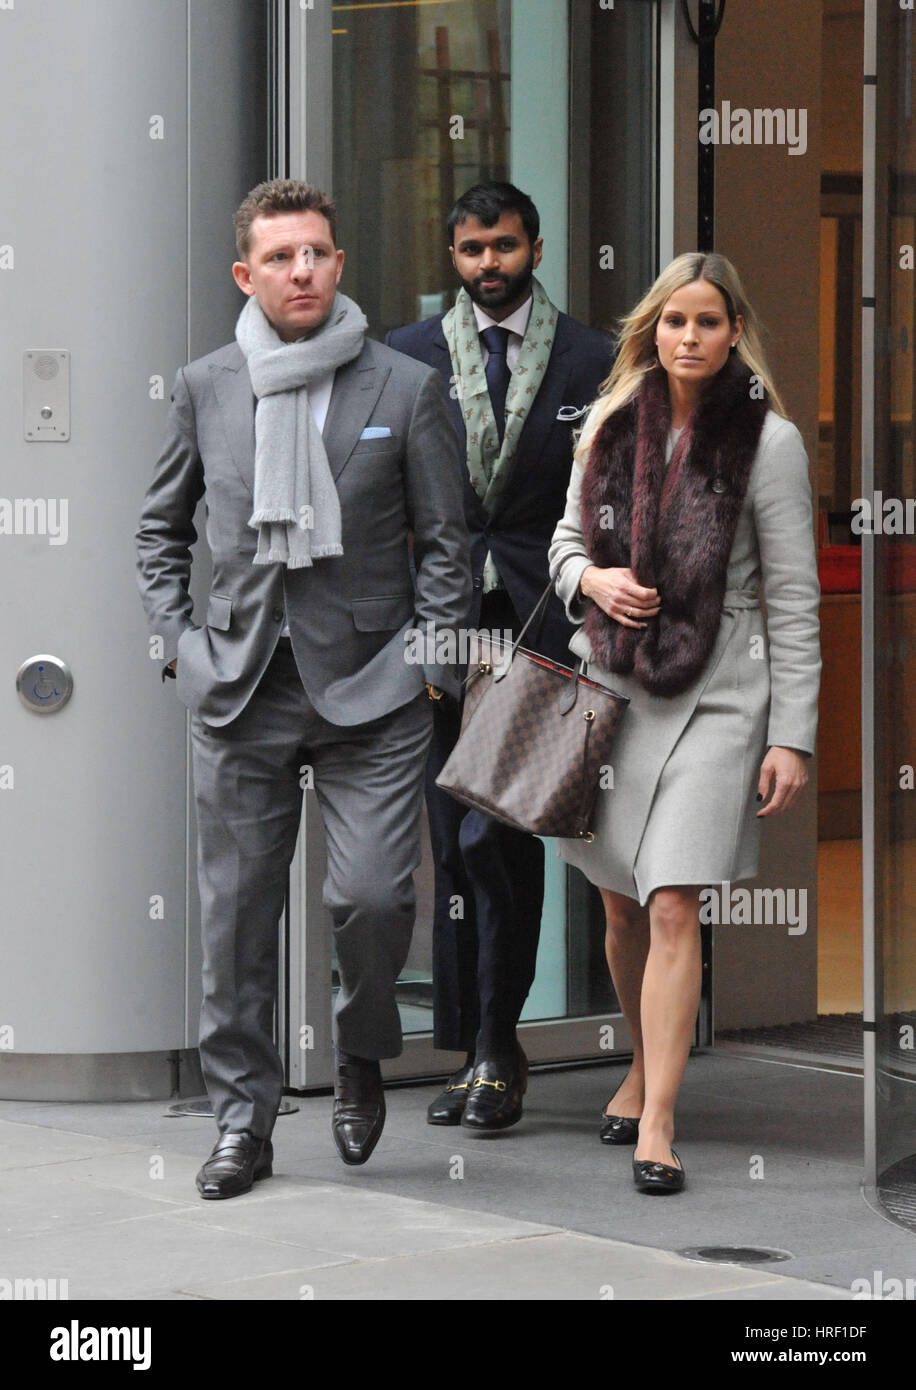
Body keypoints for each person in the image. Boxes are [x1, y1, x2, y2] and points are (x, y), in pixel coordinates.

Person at [136, 178, 471, 1199]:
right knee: (234, 919)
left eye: (317, 252)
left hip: (374, 686)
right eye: (280, 257)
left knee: (371, 896)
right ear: (247, 273)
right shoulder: (206, 385)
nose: (301, 271)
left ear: (338, 263)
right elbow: (159, 530)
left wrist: (429, 663)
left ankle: (362, 1052)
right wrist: (177, 646)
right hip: (239, 687)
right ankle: (243, 1121)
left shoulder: (403, 388)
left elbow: (448, 546)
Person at [548, 252, 821, 1193]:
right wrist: (592, 578)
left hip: (720, 695)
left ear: (734, 331)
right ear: (652, 329)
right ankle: (640, 1061)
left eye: (708, 322)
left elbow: (794, 596)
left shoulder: (770, 444)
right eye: (674, 322)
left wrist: (794, 734)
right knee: (621, 899)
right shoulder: (610, 425)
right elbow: (565, 543)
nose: (690, 337)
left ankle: (660, 1119)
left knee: (673, 898)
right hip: (616, 690)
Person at [386, 183, 612, 1129]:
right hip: (440, 619)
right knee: (452, 838)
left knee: (498, 835)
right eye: (473, 249)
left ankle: (498, 1046)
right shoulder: (402, 357)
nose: (490, 265)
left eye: (506, 247)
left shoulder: (592, 359)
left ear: (538, 246)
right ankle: (473, 1050)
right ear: (453, 253)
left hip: (537, 620)